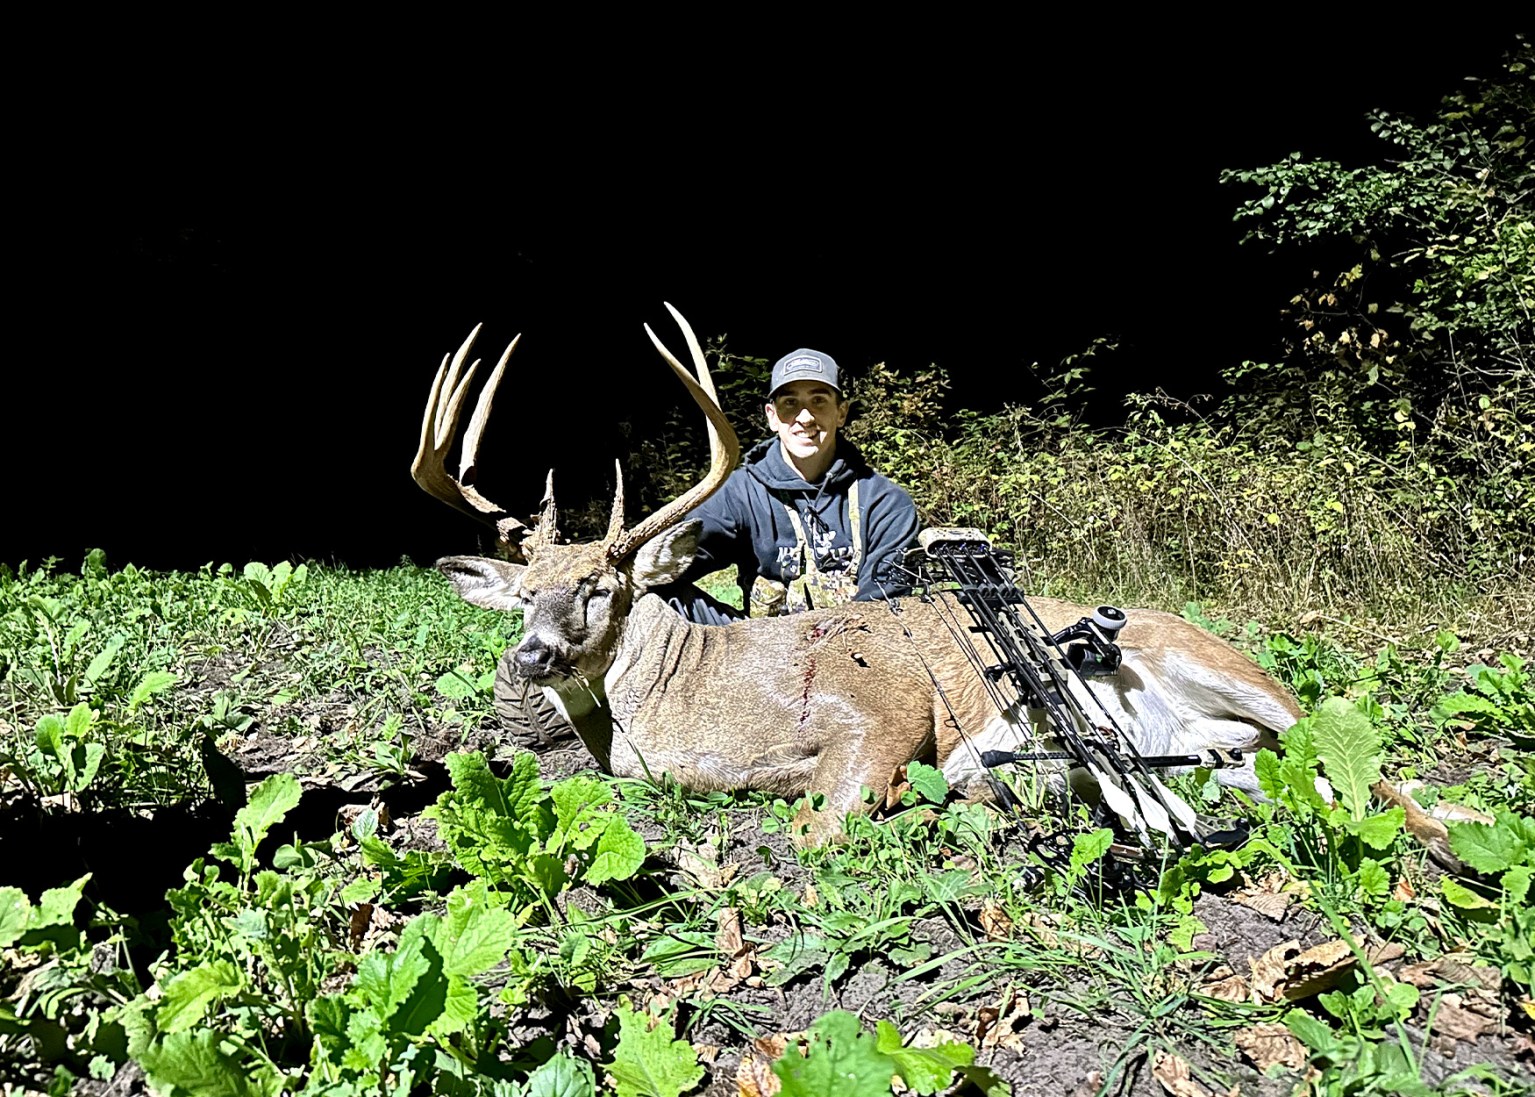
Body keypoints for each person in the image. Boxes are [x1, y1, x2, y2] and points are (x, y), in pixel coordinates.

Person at [495, 346, 923, 741]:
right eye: (791, 403)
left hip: (856, 656)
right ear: (772, 416)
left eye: (819, 401)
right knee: (649, 595)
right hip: (759, 652)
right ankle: (598, 697)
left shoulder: (885, 502)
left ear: (841, 412)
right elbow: (669, 556)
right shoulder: (741, 491)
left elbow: (883, 607)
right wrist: (573, 565)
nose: (805, 417)